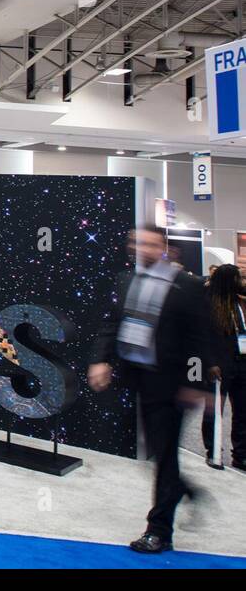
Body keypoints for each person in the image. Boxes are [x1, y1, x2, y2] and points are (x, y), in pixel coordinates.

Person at [88, 225, 219, 554]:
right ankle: (184, 490)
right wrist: (101, 360)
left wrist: (196, 385)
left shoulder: (187, 285)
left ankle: (159, 530)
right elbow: (112, 323)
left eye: (149, 243)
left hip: (170, 384)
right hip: (135, 378)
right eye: (136, 242)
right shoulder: (126, 280)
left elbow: (203, 336)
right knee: (150, 451)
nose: (141, 248)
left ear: (163, 247)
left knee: (164, 455)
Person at [203, 263, 246, 470]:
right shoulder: (210, 304)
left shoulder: (239, 302)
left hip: (242, 363)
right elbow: (202, 337)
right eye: (238, 278)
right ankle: (213, 452)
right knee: (214, 410)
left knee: (243, 411)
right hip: (219, 366)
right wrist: (210, 363)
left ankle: (241, 455)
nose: (242, 282)